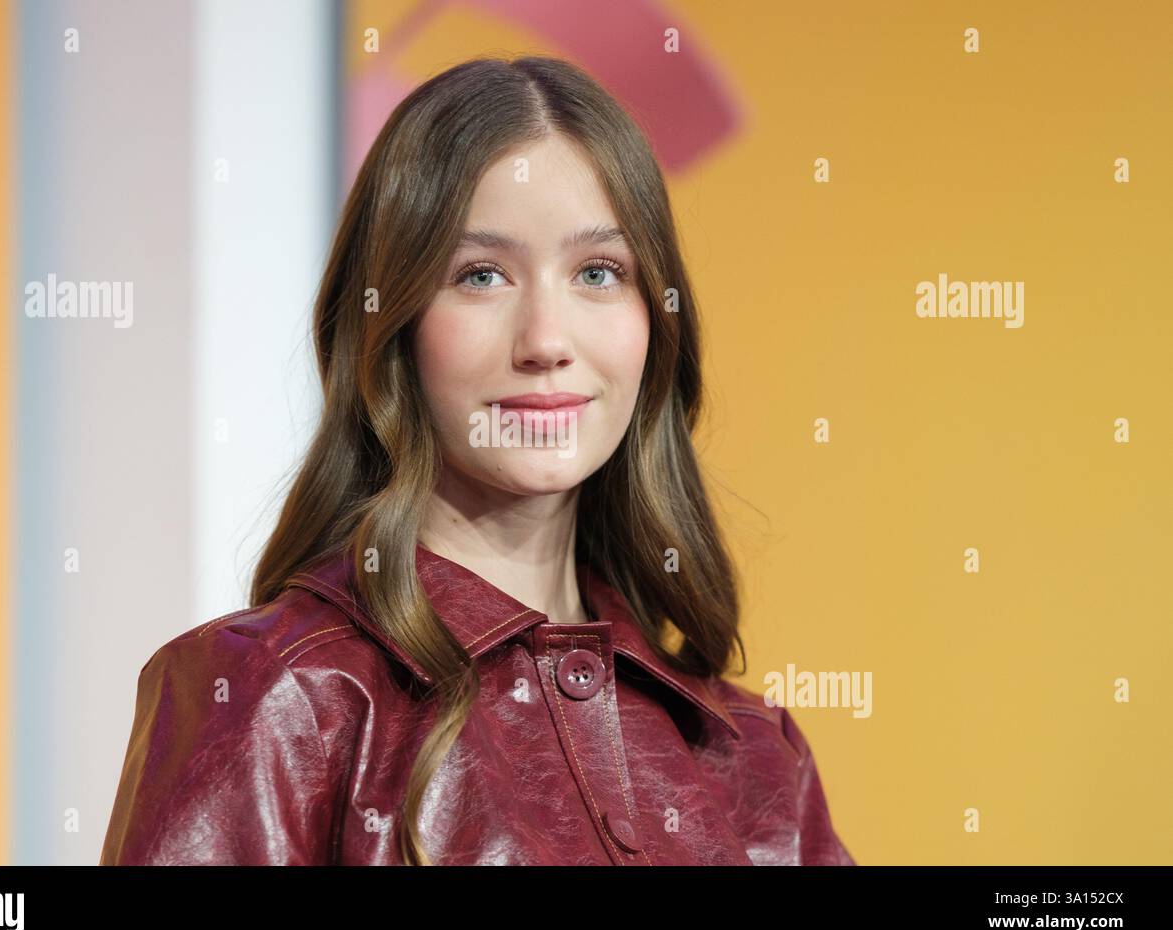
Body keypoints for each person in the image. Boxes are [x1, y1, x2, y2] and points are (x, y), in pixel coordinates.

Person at [100, 55, 855, 866]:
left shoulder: (755, 757)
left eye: (598, 273)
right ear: (394, 326)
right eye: (481, 275)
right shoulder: (276, 696)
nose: (546, 342)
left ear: (654, 321)